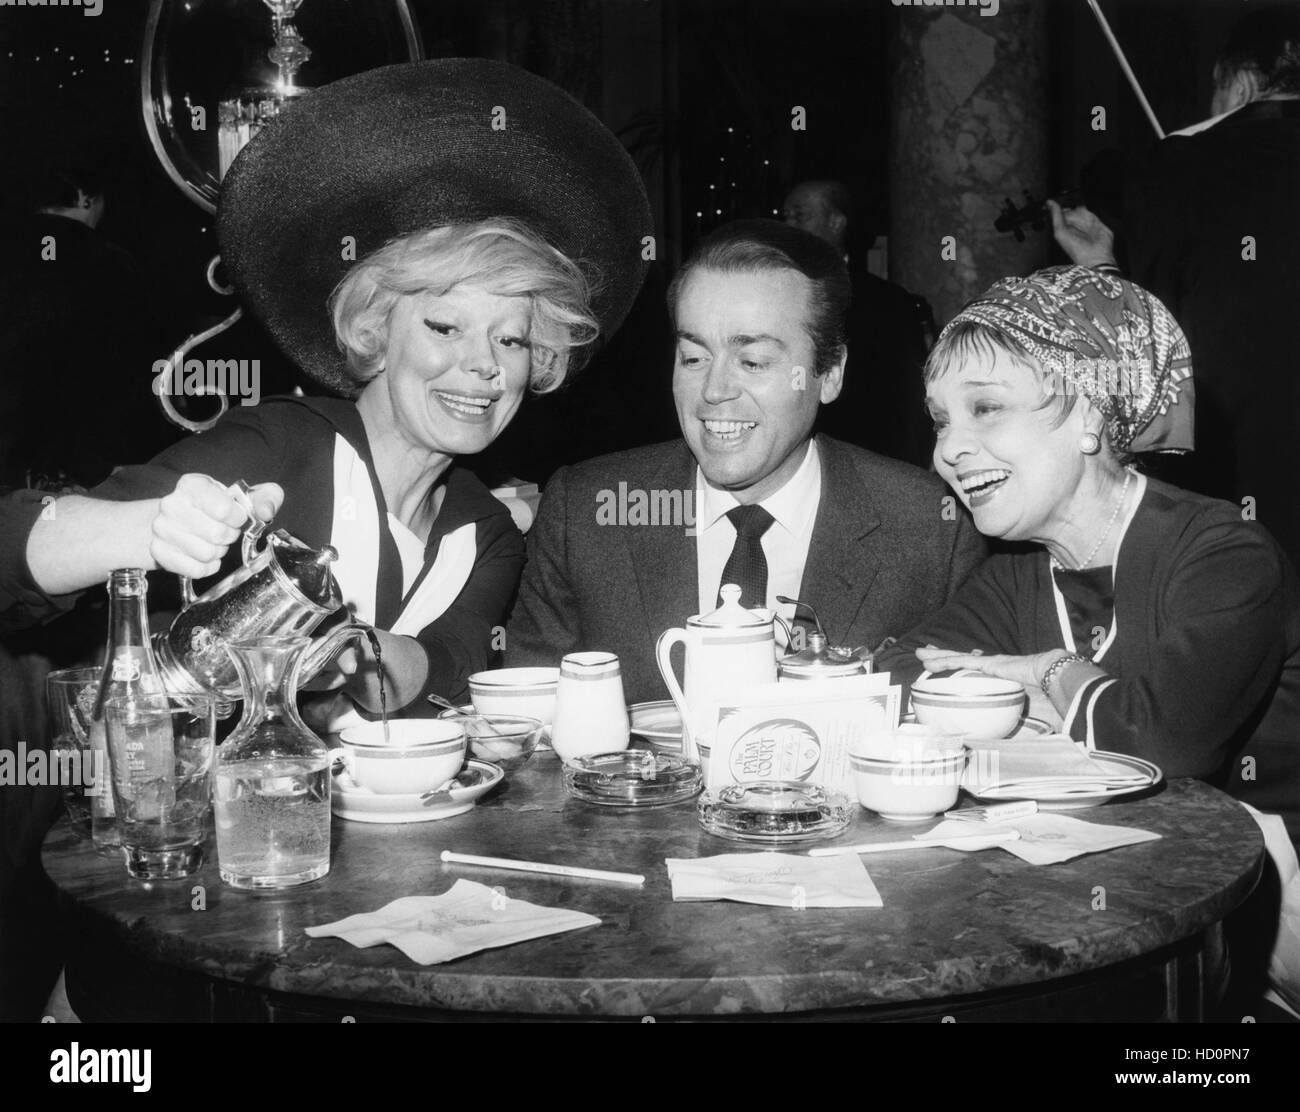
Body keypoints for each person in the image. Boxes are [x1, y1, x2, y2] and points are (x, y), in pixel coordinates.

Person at [17, 60, 652, 726]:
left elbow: (443, 673)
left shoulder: (486, 530)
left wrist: (343, 651)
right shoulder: (283, 446)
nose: (483, 366)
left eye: (512, 341)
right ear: (377, 333)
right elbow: (14, 554)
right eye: (445, 326)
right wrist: (147, 528)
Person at [873, 265, 1300, 1016]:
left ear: (1088, 417)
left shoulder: (1224, 552)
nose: (948, 450)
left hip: (1272, 912)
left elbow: (1162, 740)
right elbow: (900, 671)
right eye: (942, 420)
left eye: (985, 409)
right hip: (1125, 893)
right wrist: (1039, 700)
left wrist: (1048, 671)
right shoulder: (1017, 574)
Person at [506, 220, 986, 703]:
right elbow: (525, 725)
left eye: (753, 362)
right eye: (693, 358)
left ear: (830, 373)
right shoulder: (588, 512)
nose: (714, 391)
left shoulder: (930, 528)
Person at [1049, 4, 1300, 571]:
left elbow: (1149, 343)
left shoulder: (1181, 167)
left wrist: (1101, 267)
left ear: (1239, 84)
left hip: (1233, 471)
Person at [0, 164, 175, 488]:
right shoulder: (107, 261)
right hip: (87, 449)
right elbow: (140, 353)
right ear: (83, 197)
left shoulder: (10, 248)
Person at [782, 179, 933, 466]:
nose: (788, 226)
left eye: (800, 216)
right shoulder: (766, 296)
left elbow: (912, 404)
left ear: (836, 222)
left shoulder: (888, 302)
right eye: (785, 216)